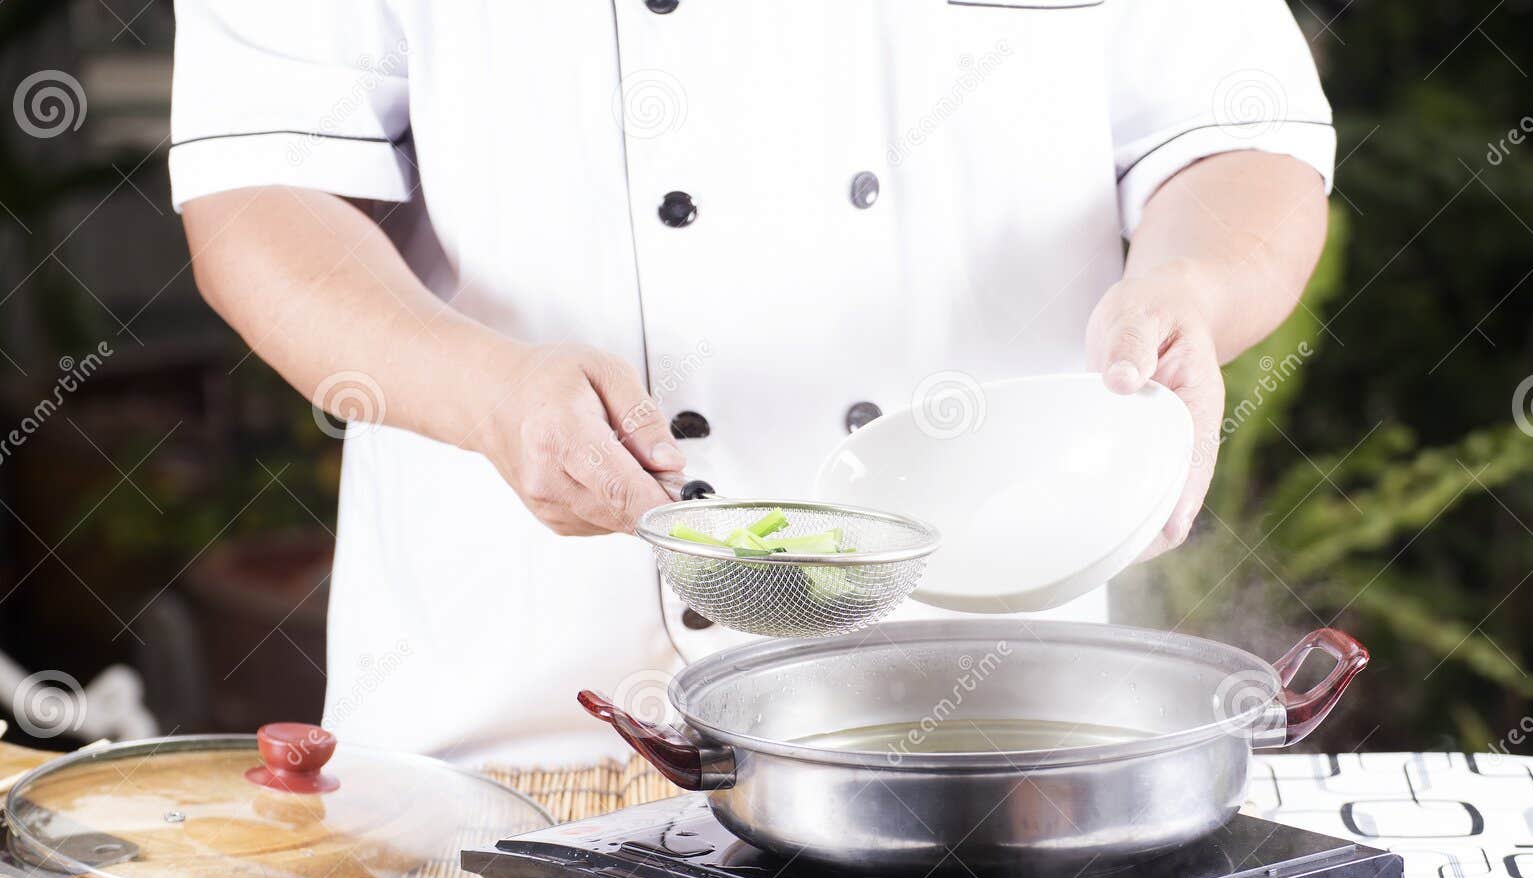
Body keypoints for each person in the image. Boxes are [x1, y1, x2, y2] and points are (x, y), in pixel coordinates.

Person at [172, 1, 1333, 766]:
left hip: (991, 718)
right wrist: (485, 393)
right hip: (516, 722)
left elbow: (1236, 135)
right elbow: (260, 190)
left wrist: (1191, 285)